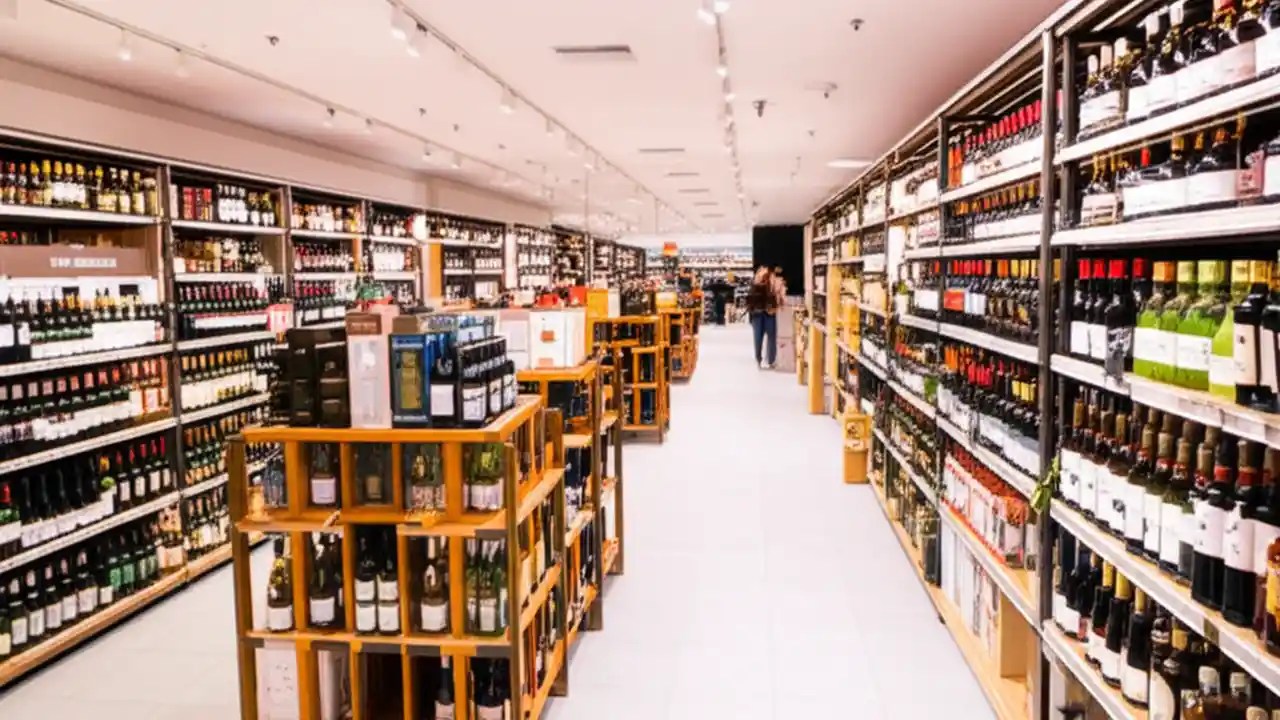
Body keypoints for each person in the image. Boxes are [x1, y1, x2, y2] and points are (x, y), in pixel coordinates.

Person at [746, 266, 779, 368]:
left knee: (771, 336)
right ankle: (759, 359)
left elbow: (774, 298)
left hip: (769, 313)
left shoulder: (771, 285)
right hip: (758, 314)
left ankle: (771, 360)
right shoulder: (754, 285)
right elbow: (750, 299)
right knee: (758, 337)